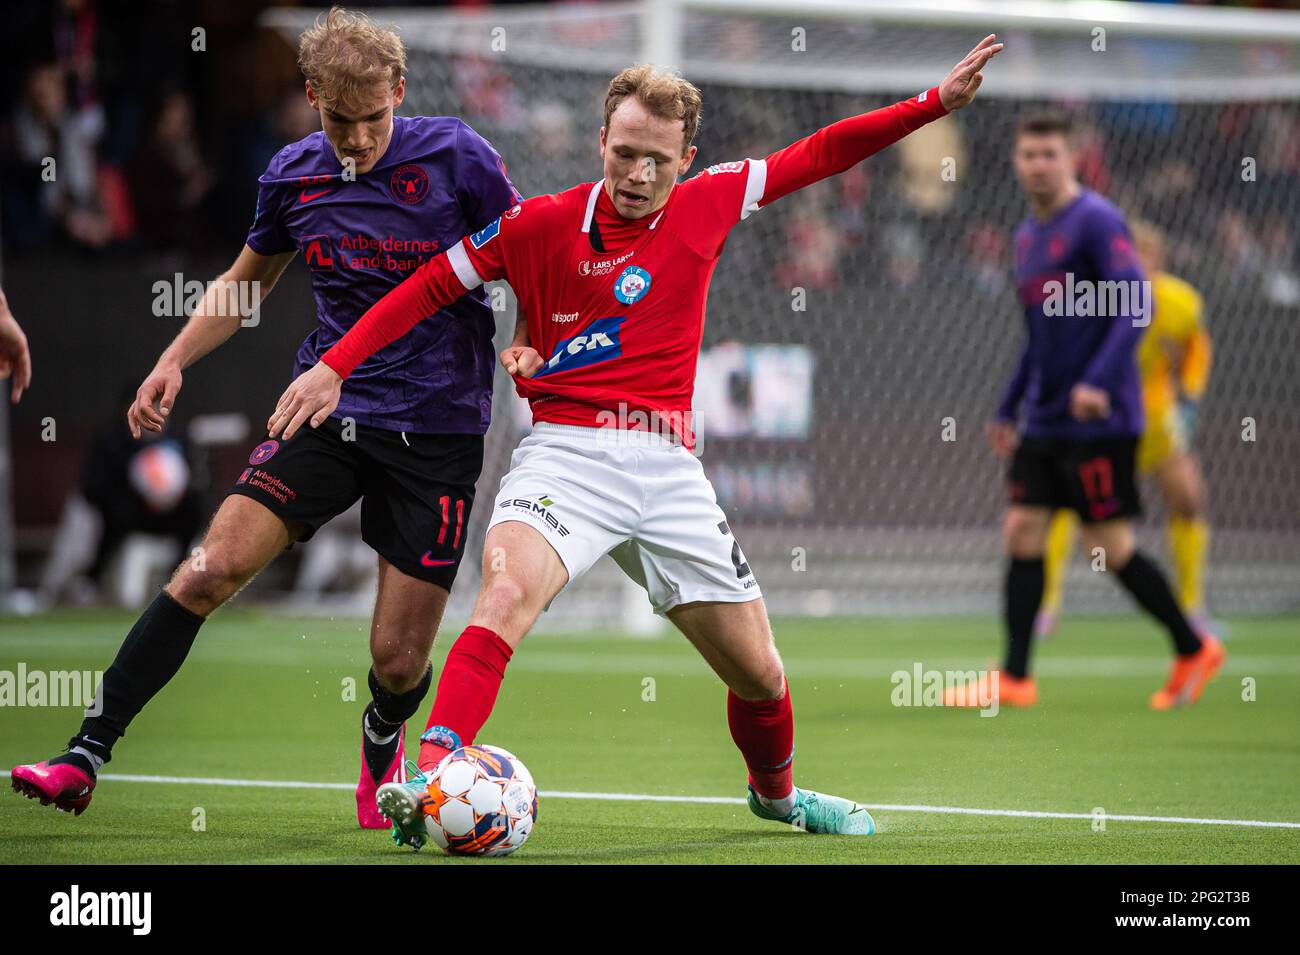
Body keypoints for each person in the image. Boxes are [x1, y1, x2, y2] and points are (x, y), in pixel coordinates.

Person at [267, 37, 1004, 843]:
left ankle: (779, 796)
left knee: (760, 673)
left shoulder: (712, 199)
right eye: (624, 153)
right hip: (564, 457)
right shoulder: (537, 224)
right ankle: (438, 771)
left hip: (667, 469)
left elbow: (822, 152)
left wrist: (932, 104)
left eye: (657, 159)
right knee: (504, 597)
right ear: (601, 143)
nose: (638, 175)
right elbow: (428, 286)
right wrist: (335, 364)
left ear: (687, 158)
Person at [11, 7, 521, 826]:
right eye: (337, 120)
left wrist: (529, 341)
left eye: (372, 120)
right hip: (321, 410)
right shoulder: (291, 172)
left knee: (397, 660)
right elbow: (248, 280)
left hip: (438, 428)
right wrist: (174, 358)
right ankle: (84, 754)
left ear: (401, 90)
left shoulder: (459, 157)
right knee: (208, 569)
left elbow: (526, 253)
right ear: (310, 96)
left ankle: (382, 733)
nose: (355, 139)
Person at [947, 113, 1223, 712]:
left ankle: (1191, 644)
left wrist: (1098, 382)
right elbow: (1036, 335)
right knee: (1022, 529)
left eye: (1049, 153)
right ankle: (1015, 678)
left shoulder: (1096, 221)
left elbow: (1135, 306)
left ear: (1072, 158)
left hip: (1100, 418)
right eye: (1028, 154)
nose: (1038, 164)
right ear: (1017, 163)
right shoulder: (1026, 237)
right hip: (1045, 419)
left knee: (1111, 545)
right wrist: (1007, 406)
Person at [1036, 219, 1213, 636]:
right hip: (1101, 421)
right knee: (1064, 504)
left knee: (1187, 498)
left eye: (1143, 258)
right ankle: (1047, 606)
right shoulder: (1090, 300)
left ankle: (1191, 606)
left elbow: (1197, 348)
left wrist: (1187, 396)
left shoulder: (1180, 304)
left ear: (1159, 263)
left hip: (1153, 420)